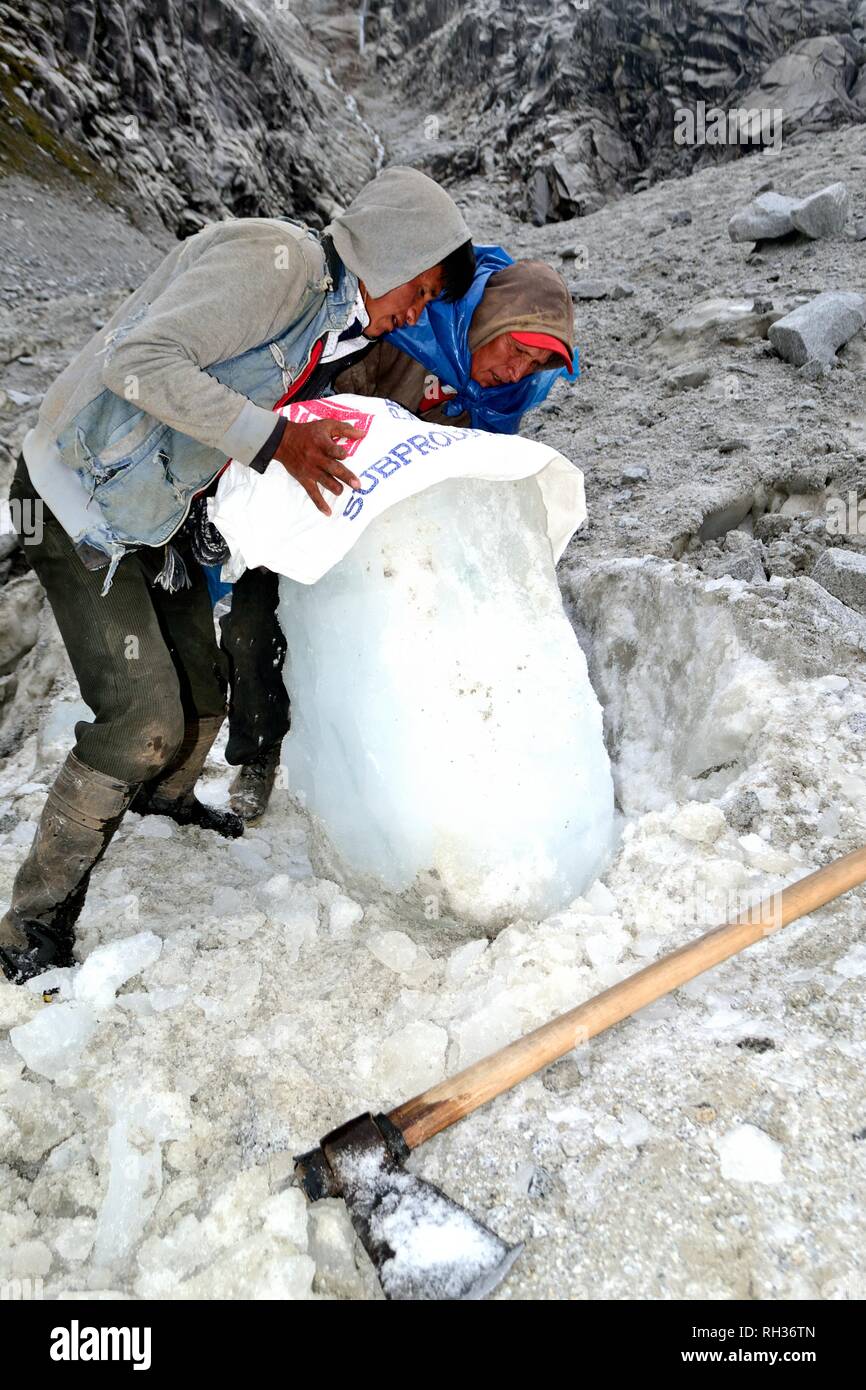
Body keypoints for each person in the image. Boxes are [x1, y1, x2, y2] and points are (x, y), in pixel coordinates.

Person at [0, 167, 475, 985]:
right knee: (144, 720)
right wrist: (273, 440)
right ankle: (33, 922)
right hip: (78, 503)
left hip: (152, 510)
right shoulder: (280, 263)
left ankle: (162, 805)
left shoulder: (331, 321)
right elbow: (139, 362)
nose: (419, 312)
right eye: (425, 290)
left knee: (206, 692)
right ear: (394, 252)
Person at [224, 250, 575, 822]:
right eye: (514, 349)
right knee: (256, 617)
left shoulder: (509, 392)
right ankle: (257, 752)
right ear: (489, 320)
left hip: (410, 519)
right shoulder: (409, 324)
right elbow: (332, 402)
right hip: (328, 479)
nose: (516, 373)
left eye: (535, 365)